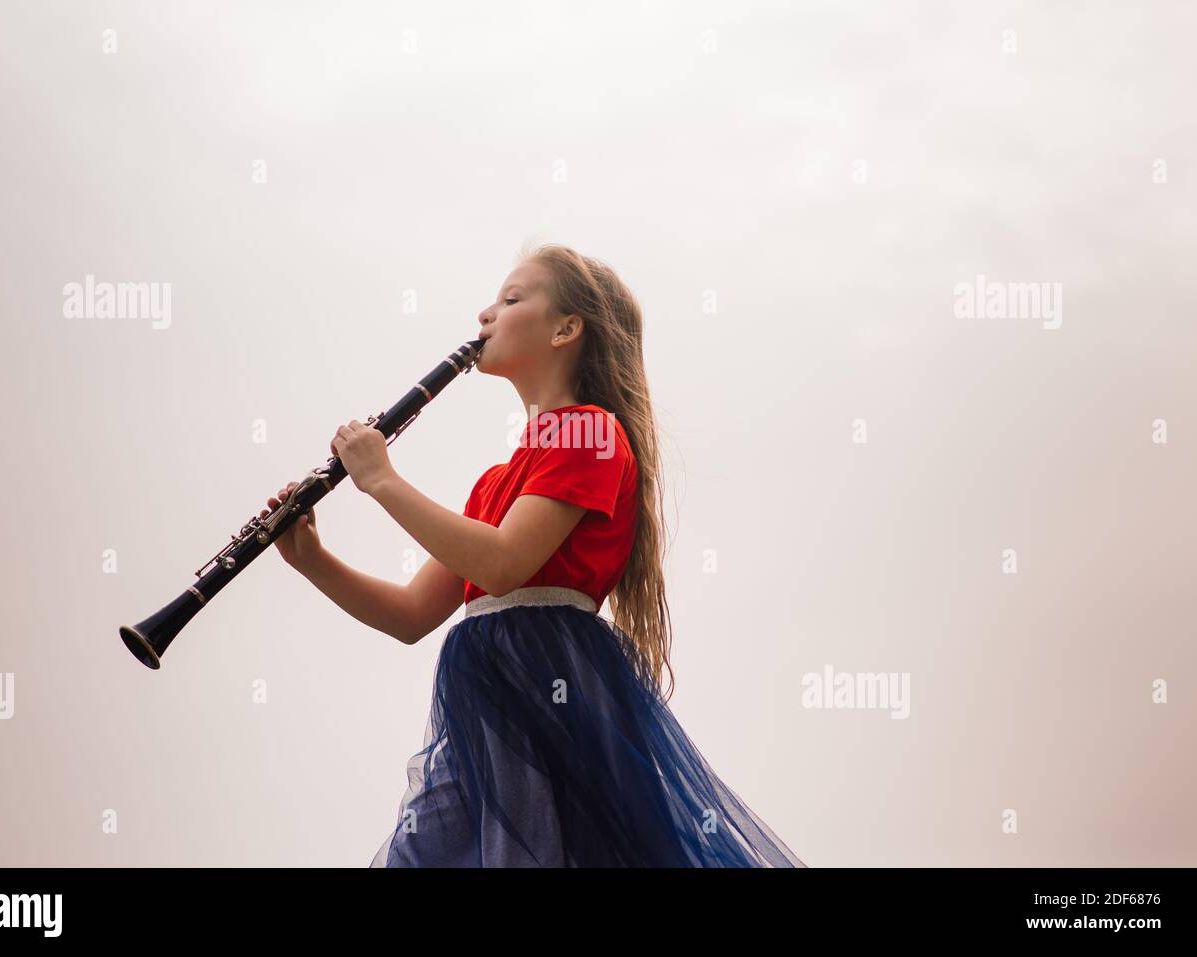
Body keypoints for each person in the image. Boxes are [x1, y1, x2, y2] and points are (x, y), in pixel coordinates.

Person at [261, 243, 805, 867]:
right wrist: (312, 560)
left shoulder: (590, 431)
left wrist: (382, 479)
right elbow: (411, 615)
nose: (485, 314)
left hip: (548, 690)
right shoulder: (498, 481)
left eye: (512, 299)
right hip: (485, 705)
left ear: (567, 329)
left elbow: (502, 564)